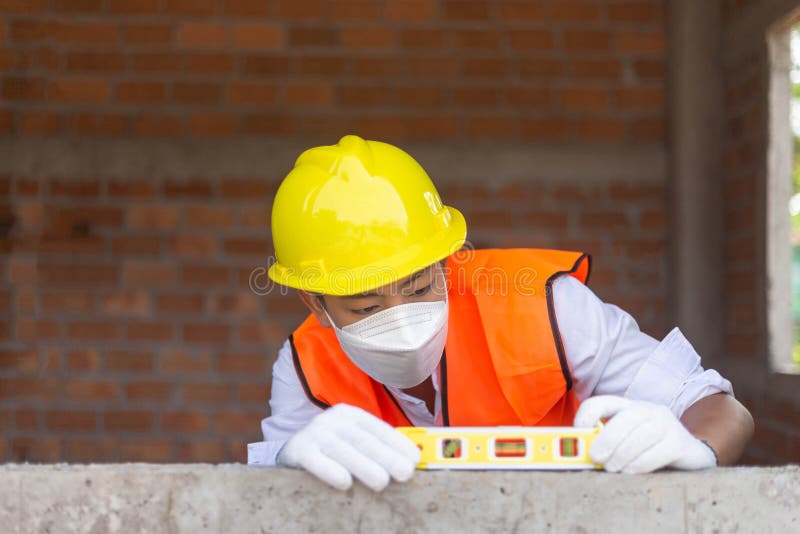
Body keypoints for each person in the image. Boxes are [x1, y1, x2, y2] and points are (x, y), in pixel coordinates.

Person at [247, 135, 754, 491]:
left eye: (420, 285)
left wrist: (695, 448)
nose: (400, 320)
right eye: (365, 305)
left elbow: (723, 412)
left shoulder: (542, 308)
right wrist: (287, 464)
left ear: (445, 261)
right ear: (315, 302)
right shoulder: (304, 367)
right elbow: (266, 502)